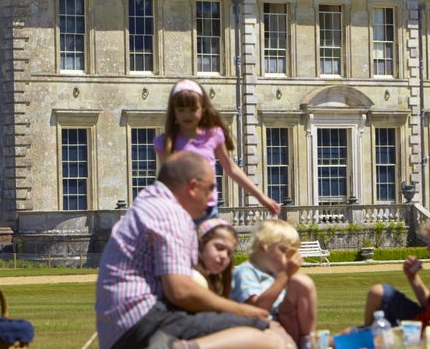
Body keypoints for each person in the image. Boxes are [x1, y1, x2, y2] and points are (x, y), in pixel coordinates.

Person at [95, 151, 293, 349]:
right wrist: (241, 311)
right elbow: (180, 292)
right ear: (192, 187)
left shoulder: (148, 203)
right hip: (143, 326)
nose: (211, 199)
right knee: (269, 336)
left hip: (122, 331)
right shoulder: (171, 213)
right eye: (210, 189)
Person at [155, 79, 281, 221]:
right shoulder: (166, 142)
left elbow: (231, 169)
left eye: (192, 109)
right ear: (174, 111)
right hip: (179, 213)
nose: (187, 115)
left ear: (202, 108)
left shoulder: (213, 135)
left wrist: (262, 197)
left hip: (208, 210)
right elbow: (166, 182)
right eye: (181, 110)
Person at [231, 219, 319, 349]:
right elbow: (257, 310)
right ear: (262, 247)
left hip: (282, 322)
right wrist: (285, 275)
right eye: (284, 250)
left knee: (302, 282)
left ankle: (308, 341)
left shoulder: (274, 274)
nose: (288, 257)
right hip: (260, 327)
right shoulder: (246, 271)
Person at [194, 218, 239, 297]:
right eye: (219, 248)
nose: (224, 256)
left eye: (229, 253)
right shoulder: (195, 279)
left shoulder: (215, 284)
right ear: (201, 244)